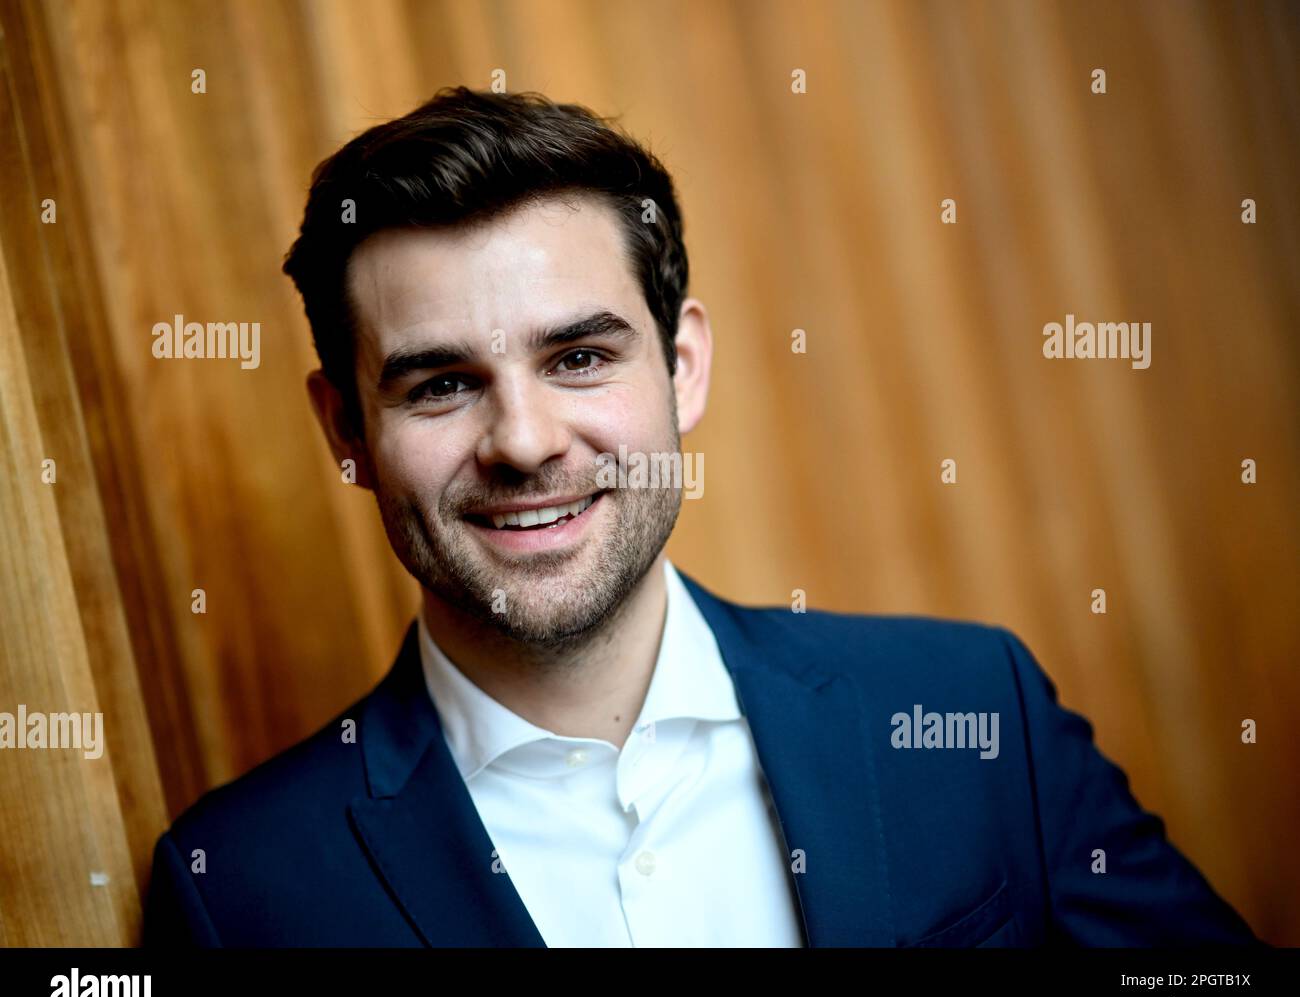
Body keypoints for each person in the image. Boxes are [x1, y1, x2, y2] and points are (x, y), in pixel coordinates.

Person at [143, 87, 1260, 948]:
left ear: (682, 369)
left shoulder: (973, 717)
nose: (524, 441)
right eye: (439, 383)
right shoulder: (235, 890)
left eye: (578, 357)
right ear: (344, 429)